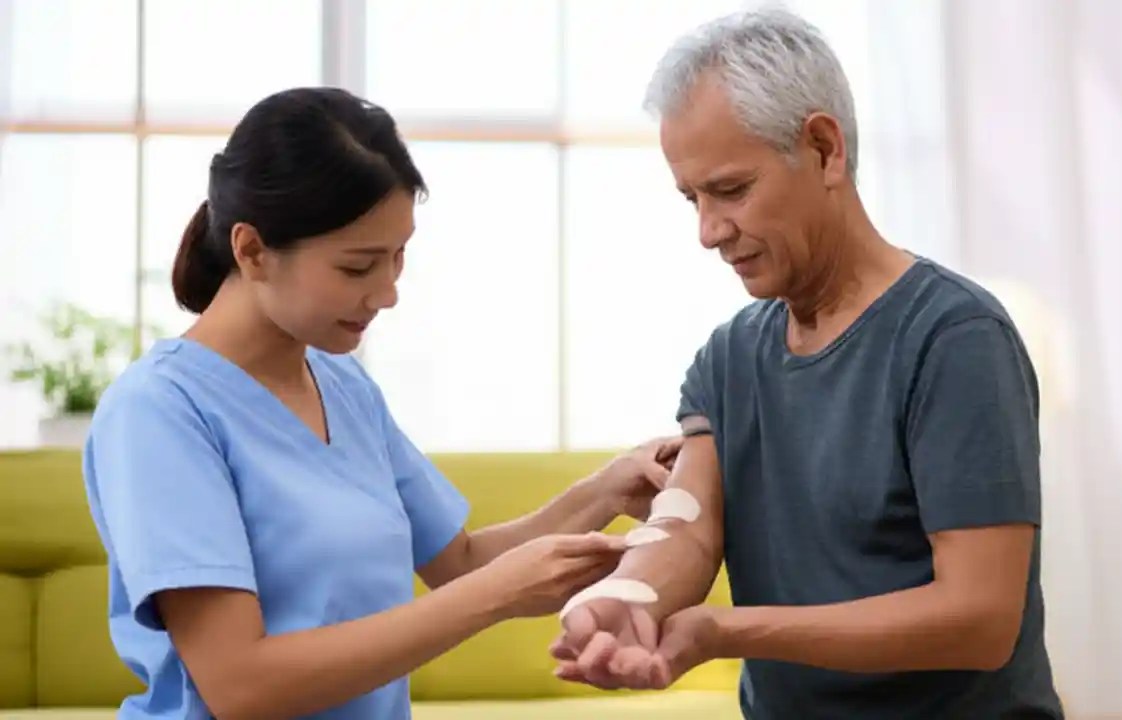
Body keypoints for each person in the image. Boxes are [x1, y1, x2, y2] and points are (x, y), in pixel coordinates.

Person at [81, 86, 682, 720]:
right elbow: (240, 686)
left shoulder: (343, 387)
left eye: (398, 258)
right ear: (251, 250)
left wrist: (607, 492)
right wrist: (495, 596)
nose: (389, 293)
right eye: (358, 267)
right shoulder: (160, 412)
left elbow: (462, 562)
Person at [549, 9, 1065, 719]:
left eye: (730, 190)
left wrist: (725, 630)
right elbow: (687, 527)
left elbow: (980, 618)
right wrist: (625, 599)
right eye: (691, 198)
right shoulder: (729, 357)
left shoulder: (954, 338)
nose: (707, 231)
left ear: (825, 150)